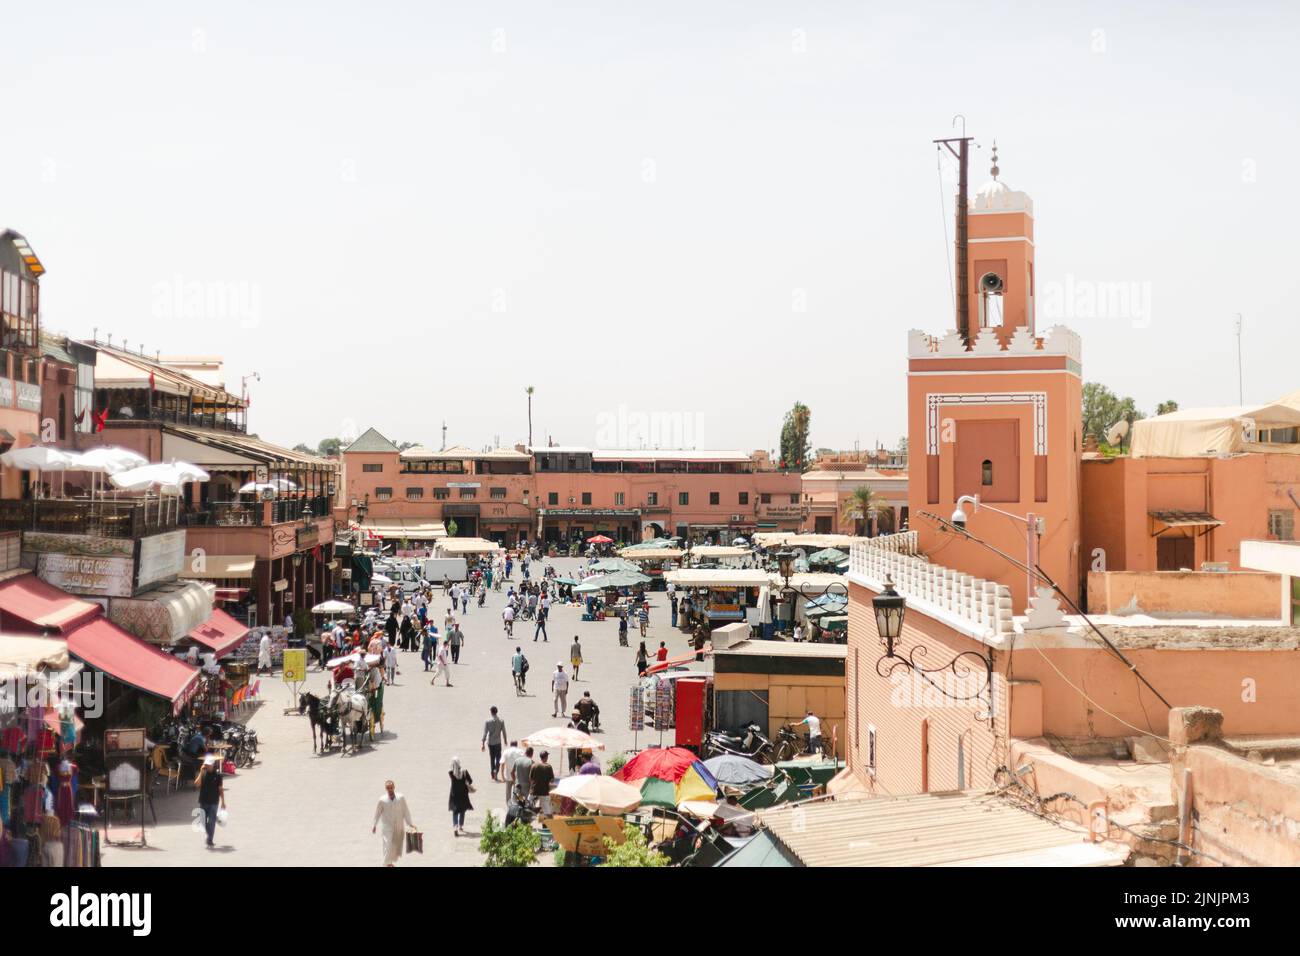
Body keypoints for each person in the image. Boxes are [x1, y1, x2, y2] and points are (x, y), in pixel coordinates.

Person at [372, 779, 414, 867]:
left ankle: (389, 864)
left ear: (394, 787)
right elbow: (377, 813)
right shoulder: (382, 800)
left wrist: (410, 823)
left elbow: (405, 811)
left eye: (391, 788)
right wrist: (374, 825)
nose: (390, 790)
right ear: (386, 789)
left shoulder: (401, 798)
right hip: (387, 828)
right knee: (388, 846)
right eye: (388, 788)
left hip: (398, 827)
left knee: (394, 847)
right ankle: (385, 864)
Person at [194, 745, 225, 849]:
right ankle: (212, 828)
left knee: (211, 822)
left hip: (213, 802)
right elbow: (197, 784)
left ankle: (210, 839)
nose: (208, 766)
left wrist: (223, 802)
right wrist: (201, 772)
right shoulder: (203, 773)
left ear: (213, 765)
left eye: (209, 765)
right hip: (203, 801)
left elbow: (220, 789)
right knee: (203, 822)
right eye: (206, 764)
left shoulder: (218, 776)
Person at [448, 758, 474, 837]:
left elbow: (453, 773)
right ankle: (461, 825)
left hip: (454, 794)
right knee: (462, 809)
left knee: (455, 811)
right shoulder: (464, 772)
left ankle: (455, 826)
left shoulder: (451, 773)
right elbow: (470, 781)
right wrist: (465, 781)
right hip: (463, 794)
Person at [481, 706, 507, 780]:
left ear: (491, 712)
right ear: (497, 712)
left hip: (490, 743)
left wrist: (483, 743)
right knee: (498, 758)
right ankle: (496, 770)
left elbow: (485, 733)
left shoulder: (487, 721)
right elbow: (504, 732)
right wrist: (505, 740)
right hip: (498, 742)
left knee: (492, 758)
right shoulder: (501, 721)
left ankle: (492, 773)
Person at [528, 751, 555, 816]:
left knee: (529, 808)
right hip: (544, 792)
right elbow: (552, 780)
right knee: (547, 811)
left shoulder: (534, 765)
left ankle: (526, 823)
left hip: (534, 791)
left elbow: (530, 779)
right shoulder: (548, 767)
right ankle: (548, 824)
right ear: (546, 757)